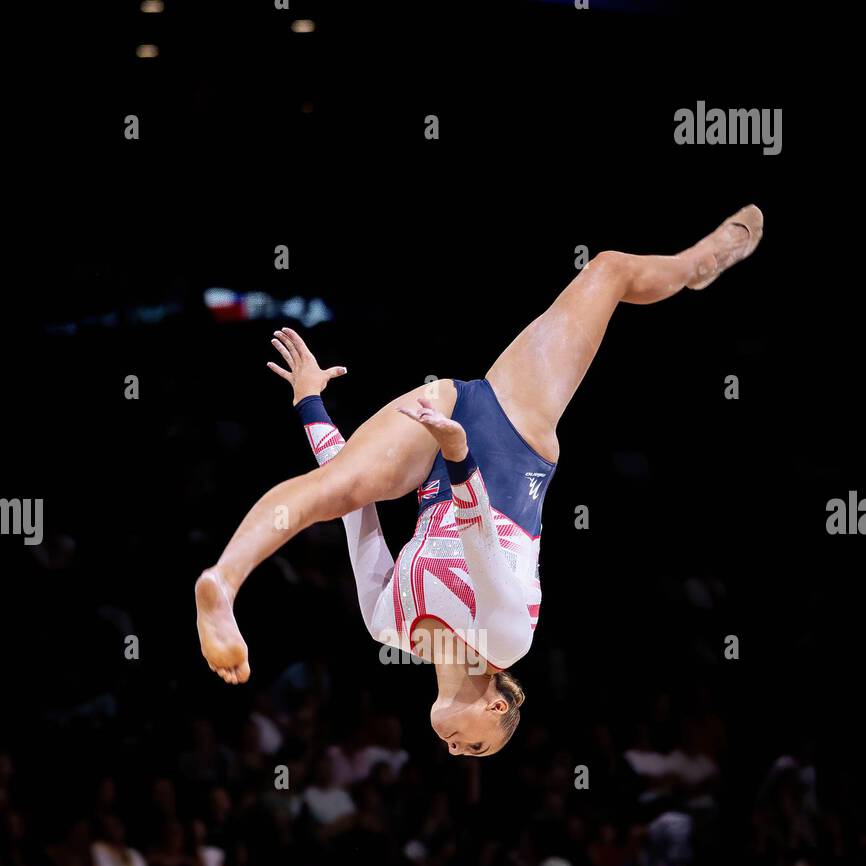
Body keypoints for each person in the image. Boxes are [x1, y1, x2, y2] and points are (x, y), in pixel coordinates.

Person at [196, 208, 763, 755]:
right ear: (496, 709)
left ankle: (223, 581)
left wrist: (311, 404)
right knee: (608, 269)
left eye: (461, 752)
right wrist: (461, 454)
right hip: (510, 439)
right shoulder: (506, 642)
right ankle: (699, 262)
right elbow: (481, 542)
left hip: (439, 451)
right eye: (475, 746)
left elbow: (357, 512)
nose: (455, 751)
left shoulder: (386, 625)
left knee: (341, 486)